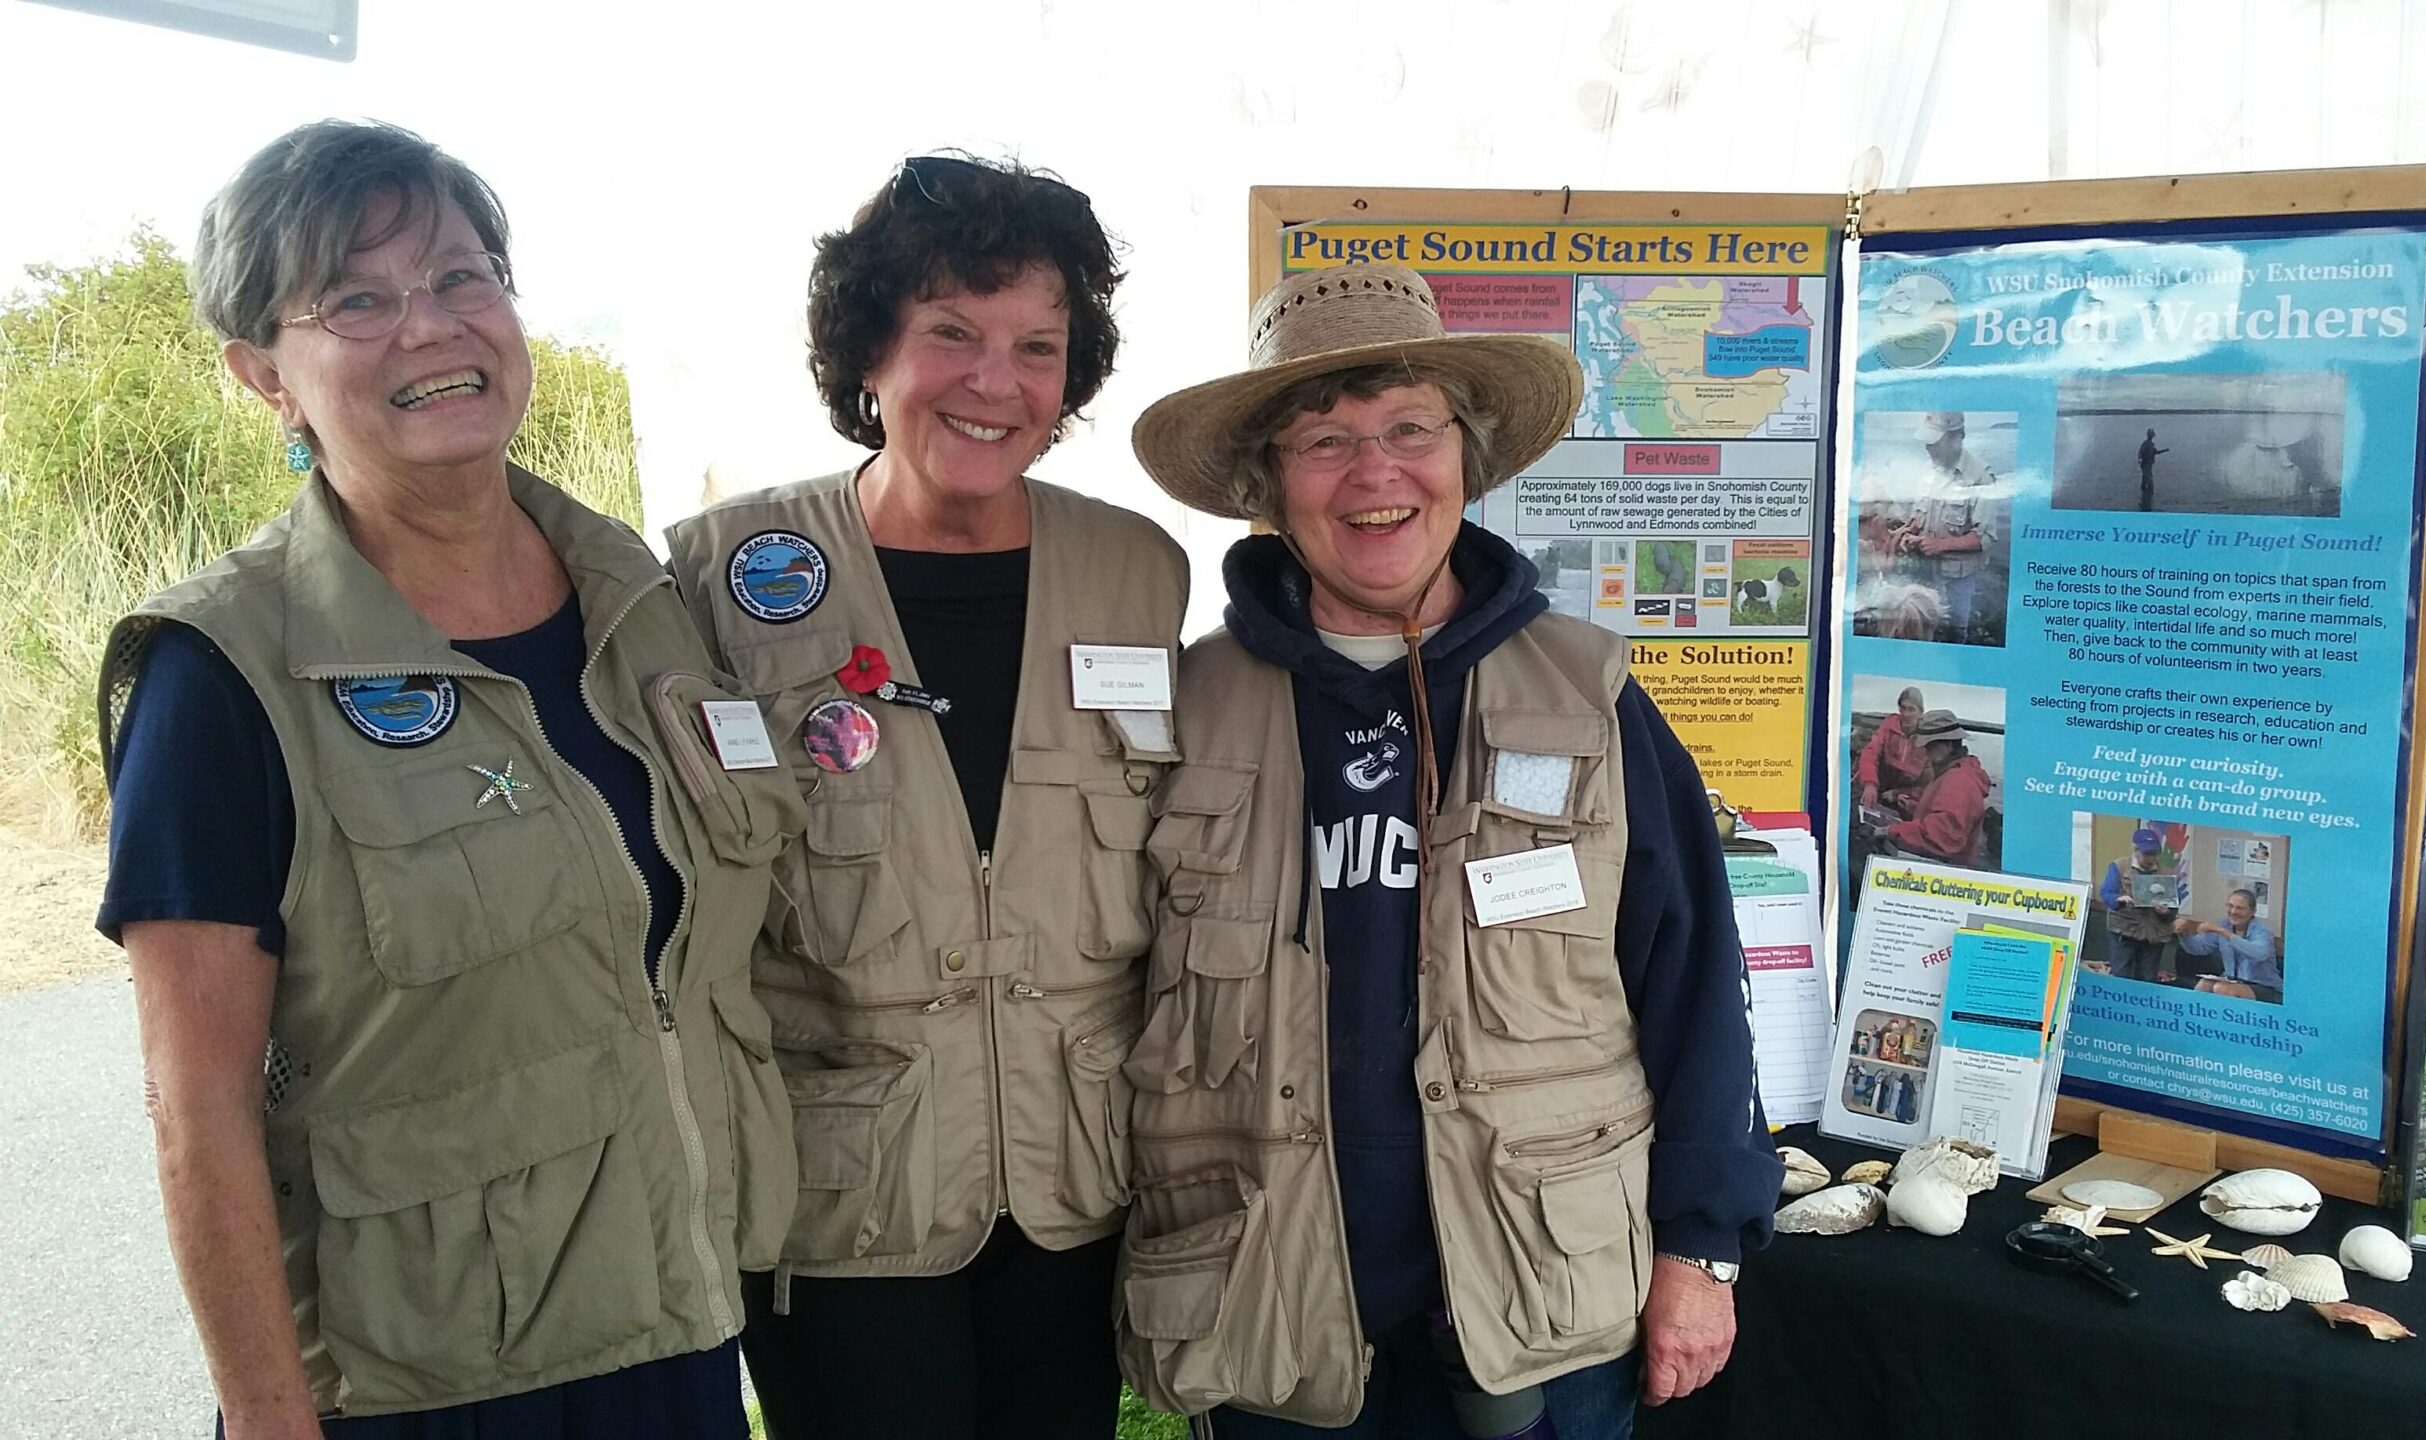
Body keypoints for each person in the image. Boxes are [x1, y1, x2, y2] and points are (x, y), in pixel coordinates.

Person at [95, 121, 802, 1437]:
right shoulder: (224, 674)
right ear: (266, 375)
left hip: (680, 1334)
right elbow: (197, 1112)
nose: (429, 327)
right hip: (426, 1391)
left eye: (462, 276)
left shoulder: (637, 600)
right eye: (355, 300)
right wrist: (266, 1418)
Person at [1115, 262, 1780, 1436]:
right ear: (1269, 483)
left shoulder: (1589, 694)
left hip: (1544, 1297)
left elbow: (1694, 981)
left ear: (1465, 458)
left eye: (1409, 429)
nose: (1374, 473)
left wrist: (1702, 1246)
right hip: (1267, 1300)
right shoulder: (1181, 708)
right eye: (1323, 441)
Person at [660, 153, 1186, 1440]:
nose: (995, 383)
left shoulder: (1139, 572)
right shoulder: (721, 578)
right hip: (840, 1197)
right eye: (951, 332)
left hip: (1077, 1181)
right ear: (869, 351)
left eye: (1038, 346)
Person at [1889, 412, 2005, 645]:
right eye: (1926, 441)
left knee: (1956, 629)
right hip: (1925, 571)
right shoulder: (1928, 469)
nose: (1927, 447)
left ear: (1956, 438)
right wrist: (1908, 532)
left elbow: (1985, 537)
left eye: (1934, 442)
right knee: (1921, 625)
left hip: (1957, 579)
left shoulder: (1981, 477)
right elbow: (1918, 515)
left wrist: (1941, 545)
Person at [1878, 710, 1990, 866]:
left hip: (1947, 871)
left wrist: (1891, 830)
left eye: (1931, 746)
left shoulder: (1958, 781)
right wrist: (1913, 807)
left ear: (1948, 744)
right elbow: (1948, 814)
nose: (1926, 752)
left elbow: (1942, 836)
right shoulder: (1954, 772)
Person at [2097, 827, 2181, 983]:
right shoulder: (2119, 867)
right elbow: (2106, 892)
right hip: (2125, 931)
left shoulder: (2167, 872)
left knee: (2147, 979)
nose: (2150, 858)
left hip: (2154, 934)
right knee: (2121, 976)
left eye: (2154, 854)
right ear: (2135, 849)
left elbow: (2174, 906)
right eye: (2146, 853)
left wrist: (2166, 912)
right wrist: (2119, 899)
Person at [2178, 889, 2282, 1001]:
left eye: (2240, 908)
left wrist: (2224, 932)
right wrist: (2184, 934)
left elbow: (2260, 954)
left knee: (2223, 989)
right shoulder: (2223, 924)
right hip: (2232, 980)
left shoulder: (2262, 931)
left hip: (2264, 986)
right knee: (2204, 984)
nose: (2233, 912)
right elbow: (2198, 948)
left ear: (2252, 911)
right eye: (2230, 906)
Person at [1855, 686, 1931, 817]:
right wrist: (1870, 784)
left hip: (1903, 797)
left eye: (1911, 709)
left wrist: (1898, 794)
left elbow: (1928, 785)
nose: (1906, 714)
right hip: (1877, 786)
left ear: (1921, 712)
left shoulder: (1929, 740)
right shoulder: (1889, 725)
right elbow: (1870, 752)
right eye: (1903, 708)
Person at [2136, 428, 2169, 511]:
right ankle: (2147, 500)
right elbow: (2140, 452)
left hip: (2148, 465)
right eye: (2152, 434)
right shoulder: (2146, 444)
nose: (2152, 436)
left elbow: (2155, 452)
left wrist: (2164, 450)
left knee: (2145, 481)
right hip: (2146, 465)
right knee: (2150, 482)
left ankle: (2144, 499)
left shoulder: (2151, 444)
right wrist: (2140, 459)